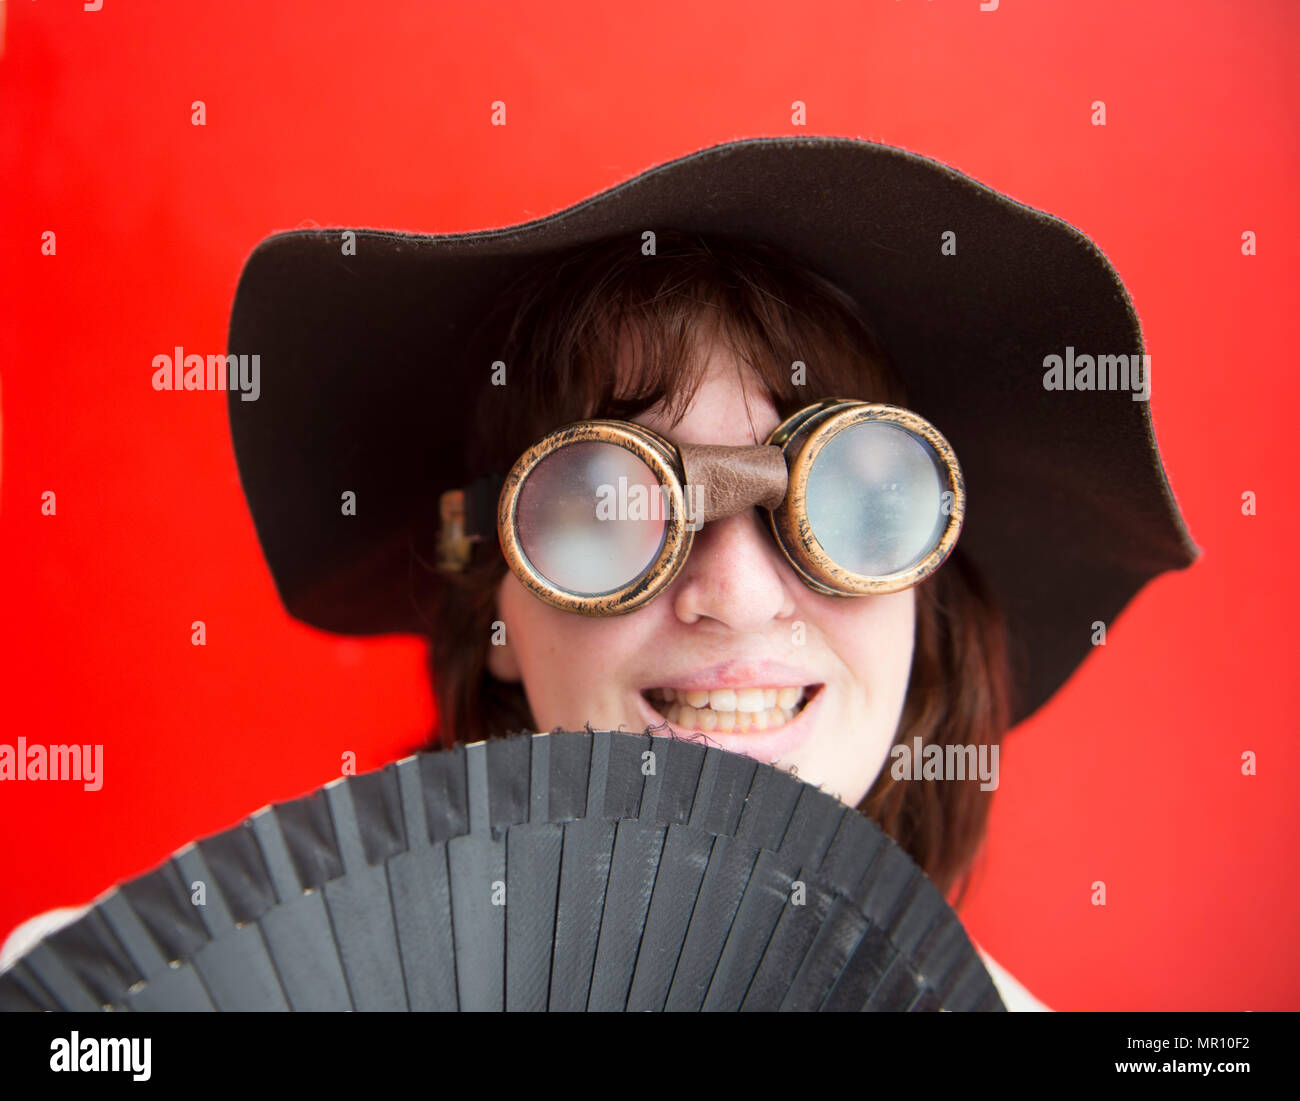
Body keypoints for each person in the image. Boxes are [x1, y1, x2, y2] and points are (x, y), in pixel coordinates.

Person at [2, 138, 1199, 1011]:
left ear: (922, 597)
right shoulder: (124, 1004)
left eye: (848, 500)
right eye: (608, 504)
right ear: (498, 616)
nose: (733, 591)